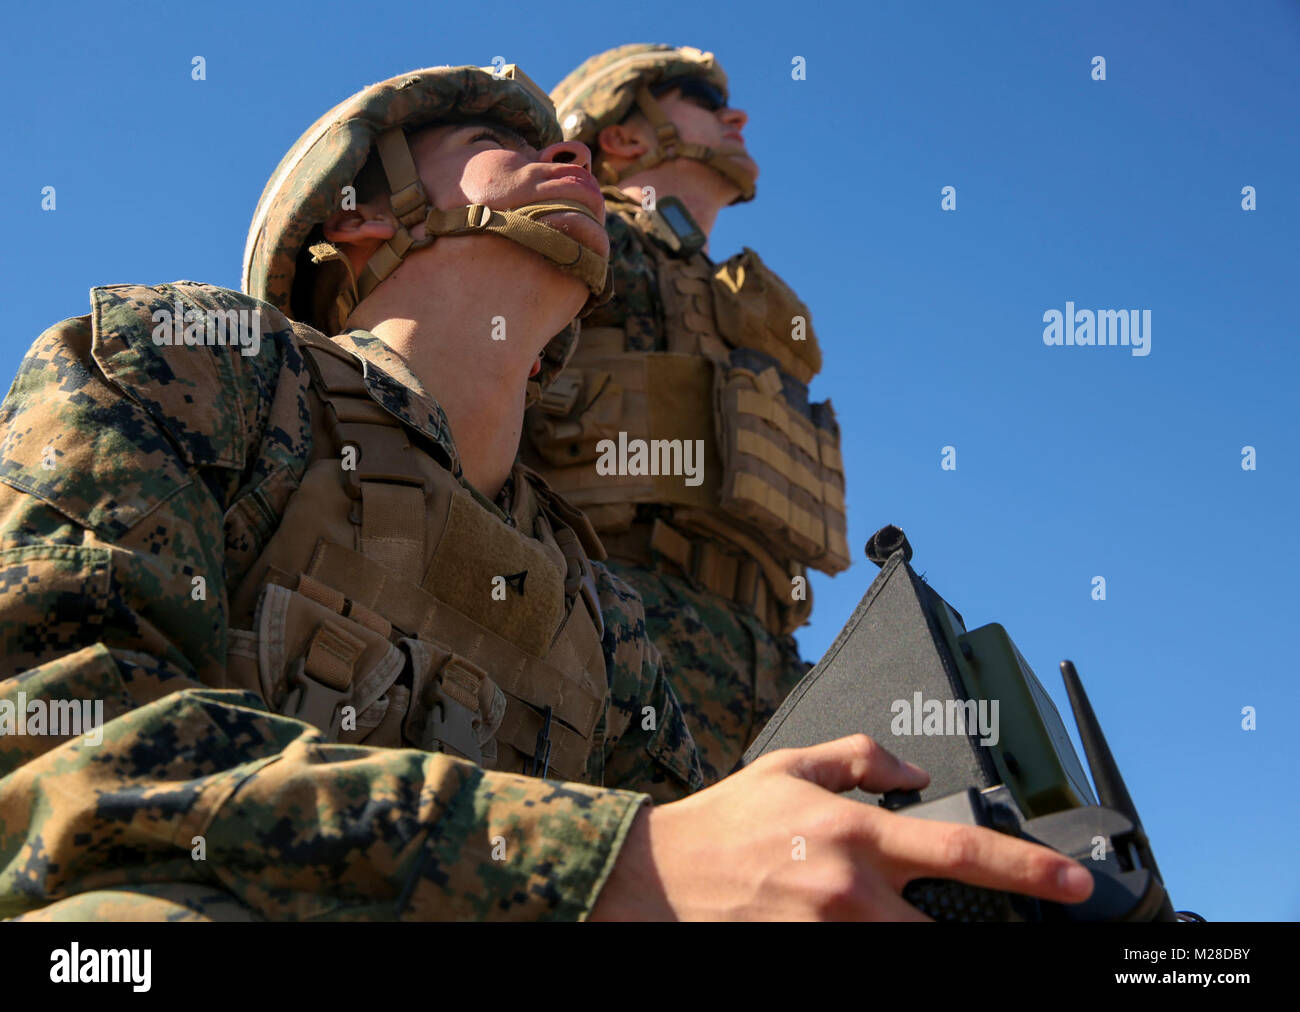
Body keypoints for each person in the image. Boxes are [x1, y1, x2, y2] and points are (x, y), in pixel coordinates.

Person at [0, 62, 1095, 921]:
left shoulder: (594, 608)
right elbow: (54, 747)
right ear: (358, 216)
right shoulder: (190, 371)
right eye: (491, 145)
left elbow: (716, 863)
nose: (564, 158)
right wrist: (609, 861)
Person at [523, 44, 850, 783]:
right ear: (625, 136)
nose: (734, 113)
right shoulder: (577, 246)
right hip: (618, 624)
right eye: (699, 97)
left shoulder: (748, 304)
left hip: (770, 656)